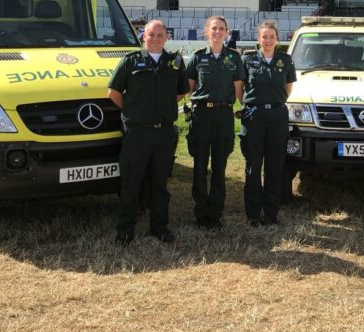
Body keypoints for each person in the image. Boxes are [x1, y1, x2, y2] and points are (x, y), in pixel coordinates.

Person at [108, 19, 188, 245]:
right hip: (137, 132)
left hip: (163, 133)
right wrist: (133, 111)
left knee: (160, 184)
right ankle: (125, 231)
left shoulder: (174, 62)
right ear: (144, 36)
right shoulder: (130, 61)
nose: (155, 39)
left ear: (167, 37)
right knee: (131, 183)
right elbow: (113, 92)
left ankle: (160, 228)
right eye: (151, 35)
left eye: (160, 35)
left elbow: (181, 92)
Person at [186, 15, 244, 229]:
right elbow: (189, 88)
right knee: (200, 165)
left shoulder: (234, 58)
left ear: (227, 32)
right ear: (206, 32)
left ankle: (216, 212)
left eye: (221, 29)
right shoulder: (198, 57)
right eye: (214, 28)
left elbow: (239, 91)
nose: (218, 32)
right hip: (201, 115)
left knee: (220, 166)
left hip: (223, 116)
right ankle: (201, 213)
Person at [240, 21, 297, 226]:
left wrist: (274, 103)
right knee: (253, 167)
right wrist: (249, 104)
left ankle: (271, 213)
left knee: (274, 167)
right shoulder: (248, 60)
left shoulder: (285, 60)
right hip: (254, 117)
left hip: (277, 117)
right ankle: (253, 214)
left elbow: (288, 89)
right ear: (258, 39)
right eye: (264, 36)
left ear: (277, 39)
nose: (268, 40)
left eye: (271, 36)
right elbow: (240, 88)